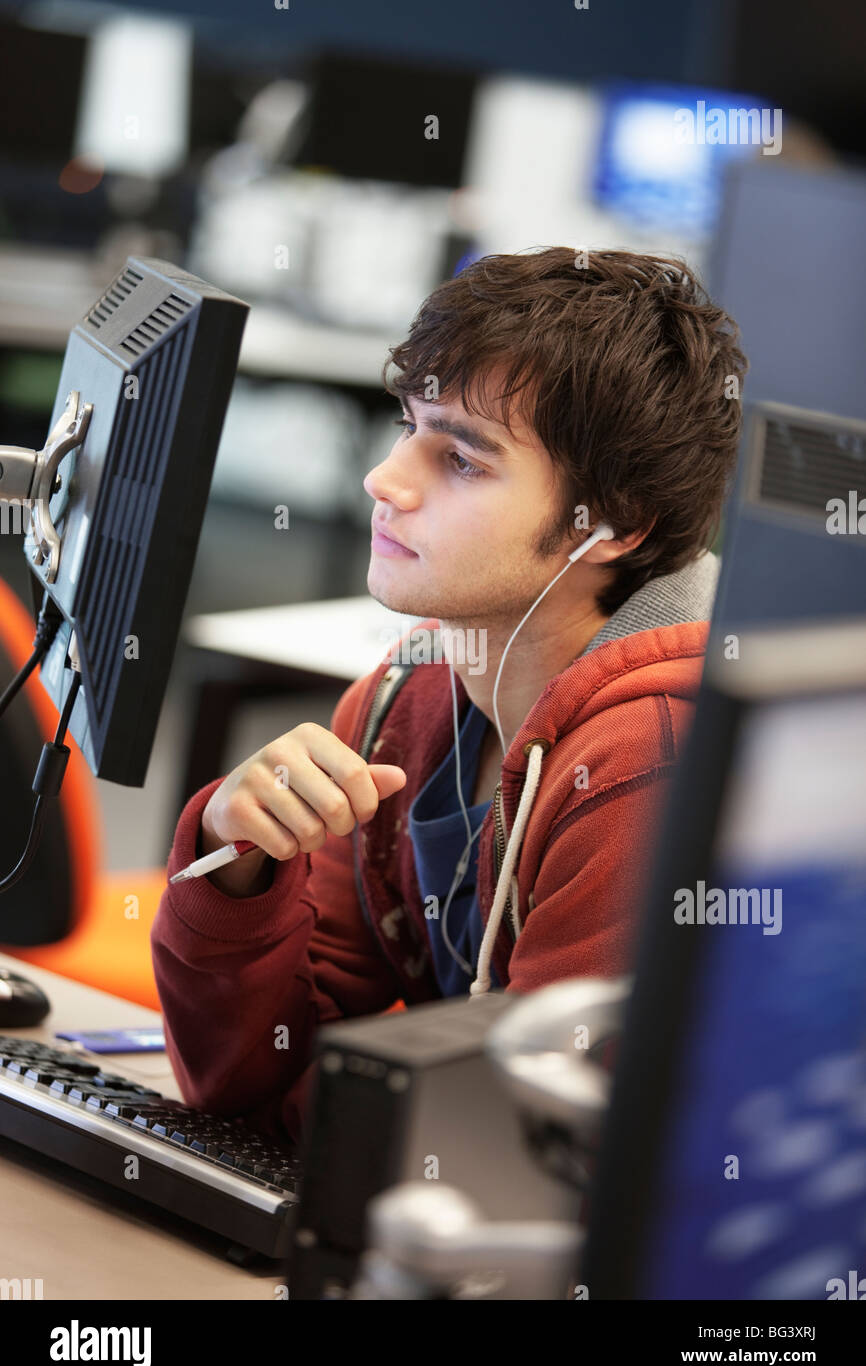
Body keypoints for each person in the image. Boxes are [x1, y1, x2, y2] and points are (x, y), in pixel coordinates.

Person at [150, 247, 748, 1146]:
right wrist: (234, 864)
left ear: (617, 527)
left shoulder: (654, 762)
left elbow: (523, 1143)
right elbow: (239, 1085)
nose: (385, 481)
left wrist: (299, 1115)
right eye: (408, 426)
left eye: (462, 459)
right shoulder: (407, 701)